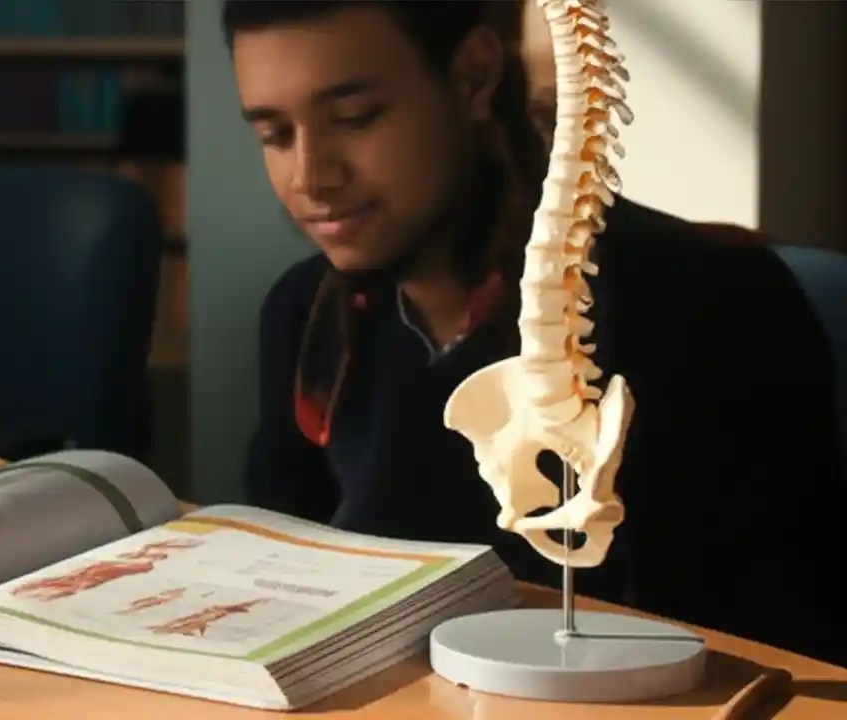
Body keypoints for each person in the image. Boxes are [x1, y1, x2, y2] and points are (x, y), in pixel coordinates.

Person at [222, 0, 845, 665]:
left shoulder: (713, 300)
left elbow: (785, 653)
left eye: (355, 117)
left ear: (474, 76)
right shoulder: (302, 313)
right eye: (275, 135)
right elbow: (284, 580)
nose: (311, 177)